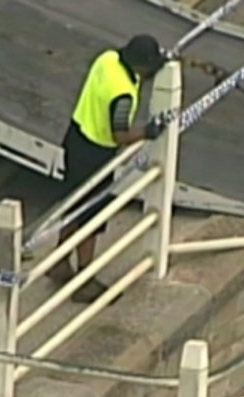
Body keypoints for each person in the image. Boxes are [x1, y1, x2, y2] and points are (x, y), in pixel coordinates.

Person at [49, 34, 167, 303]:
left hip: (76, 136)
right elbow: (120, 136)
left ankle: (58, 262)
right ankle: (83, 280)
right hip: (95, 153)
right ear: (141, 66)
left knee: (73, 206)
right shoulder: (122, 93)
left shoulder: (107, 59)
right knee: (92, 218)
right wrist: (147, 132)